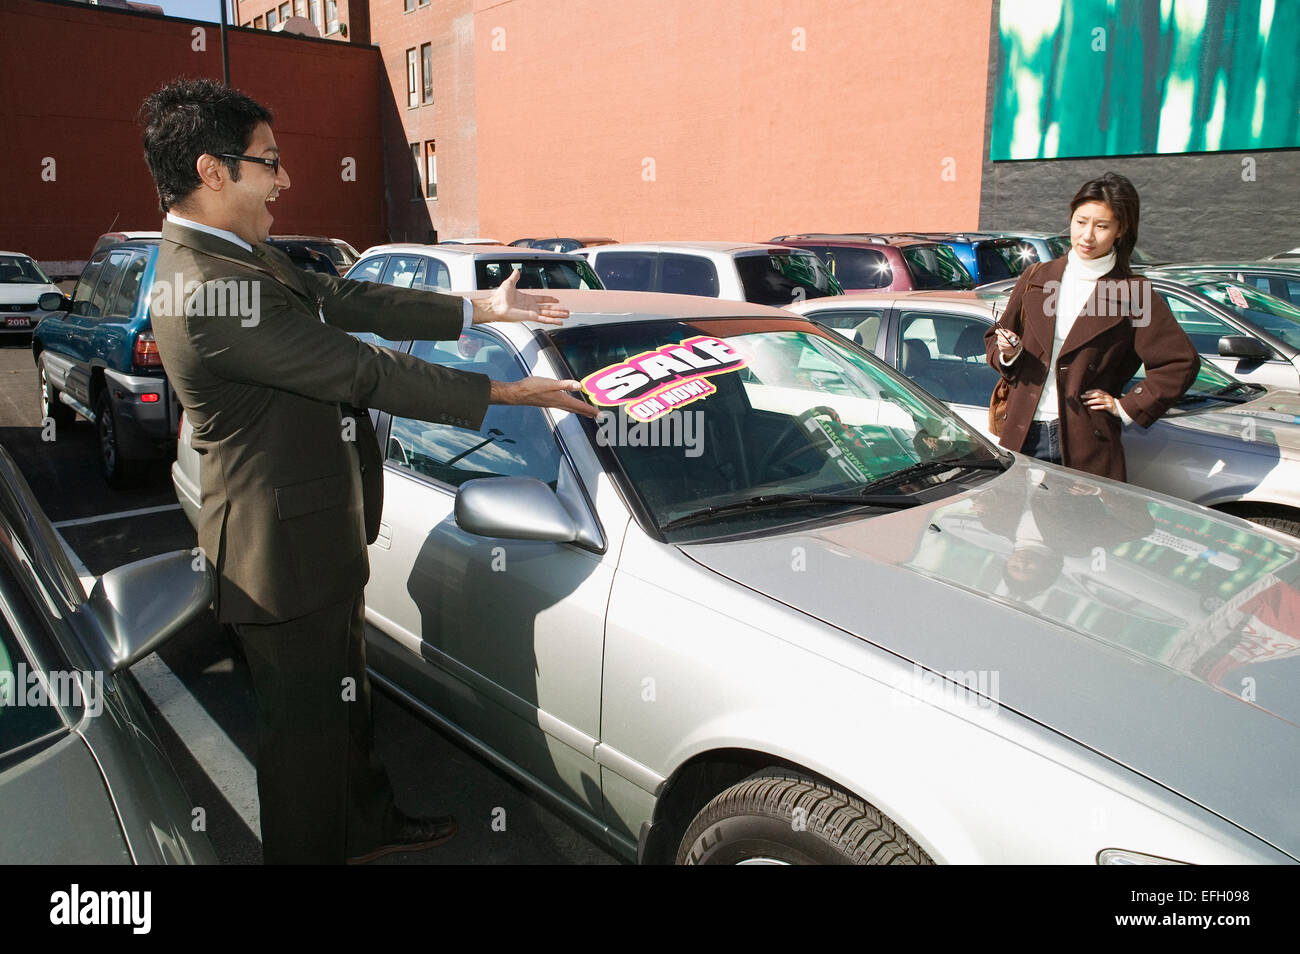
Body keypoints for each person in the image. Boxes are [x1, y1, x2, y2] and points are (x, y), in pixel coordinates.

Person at [138, 78, 597, 864]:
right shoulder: (207, 289)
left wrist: (478, 309)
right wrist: (507, 391)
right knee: (303, 748)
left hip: (317, 537)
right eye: (268, 163)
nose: (284, 179)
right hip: (277, 560)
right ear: (213, 172)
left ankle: (368, 823)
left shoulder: (233, 256)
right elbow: (358, 369)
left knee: (343, 712)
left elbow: (340, 297)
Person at [983, 172, 1199, 481]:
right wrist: (1009, 352)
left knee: (1078, 528)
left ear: (1120, 230)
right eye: (1081, 222)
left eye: (1101, 226)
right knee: (1014, 527)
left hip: (1084, 440)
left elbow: (1180, 361)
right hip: (1020, 431)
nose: (1087, 236)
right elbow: (994, 338)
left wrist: (1127, 405)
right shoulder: (1036, 277)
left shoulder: (1132, 291)